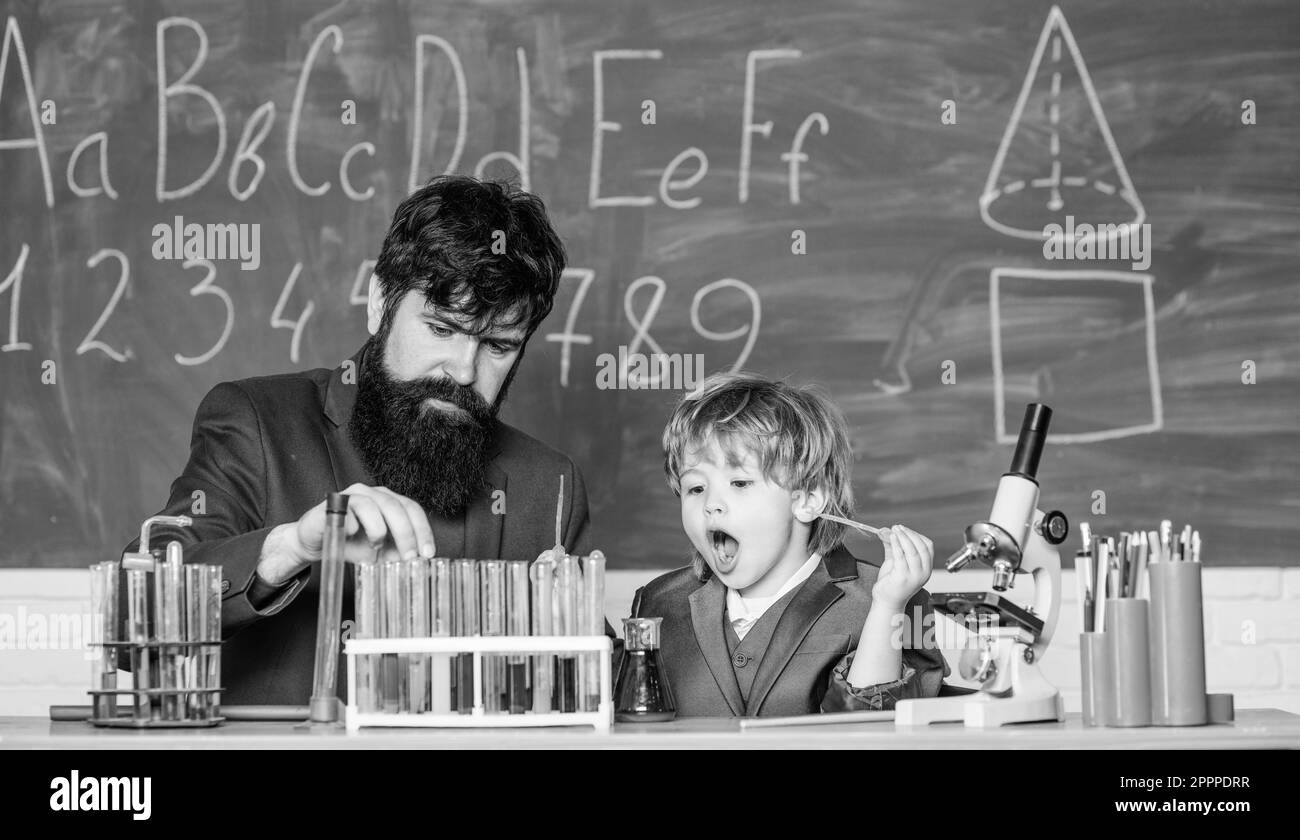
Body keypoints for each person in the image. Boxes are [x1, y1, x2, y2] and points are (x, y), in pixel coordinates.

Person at [122, 176, 595, 706]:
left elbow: (593, 698)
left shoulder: (549, 485)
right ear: (380, 302)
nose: (465, 372)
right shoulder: (255, 421)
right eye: (442, 330)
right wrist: (290, 548)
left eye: (498, 346)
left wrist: (575, 630)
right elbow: (133, 621)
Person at [630, 372, 949, 716]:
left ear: (808, 499)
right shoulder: (658, 603)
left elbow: (872, 732)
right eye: (695, 488)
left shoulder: (895, 603)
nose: (711, 504)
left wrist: (887, 608)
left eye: (739, 482)